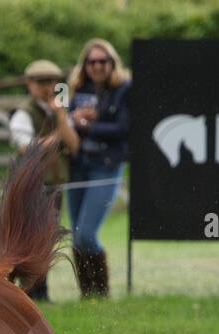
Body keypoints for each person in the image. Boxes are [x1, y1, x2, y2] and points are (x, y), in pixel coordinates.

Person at [8, 59, 78, 302]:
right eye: (41, 82)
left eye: (52, 81)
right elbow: (25, 149)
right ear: (30, 84)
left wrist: (61, 117)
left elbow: (74, 145)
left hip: (54, 185)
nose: (48, 87)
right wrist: (58, 132)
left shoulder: (58, 112)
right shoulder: (23, 113)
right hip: (30, 187)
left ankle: (40, 293)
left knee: (46, 240)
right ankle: (24, 293)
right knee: (27, 240)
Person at [66, 38, 130, 298]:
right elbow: (62, 119)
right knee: (76, 236)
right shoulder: (75, 89)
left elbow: (124, 129)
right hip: (78, 164)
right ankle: (86, 296)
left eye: (103, 61)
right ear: (85, 65)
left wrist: (88, 126)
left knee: (87, 235)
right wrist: (73, 118)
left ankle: (101, 294)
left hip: (105, 165)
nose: (97, 66)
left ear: (112, 63)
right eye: (91, 61)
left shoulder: (124, 88)